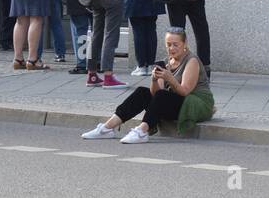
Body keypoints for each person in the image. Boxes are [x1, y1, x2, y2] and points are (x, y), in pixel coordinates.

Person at [81, 28, 215, 144]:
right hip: (177, 100)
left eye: (175, 45)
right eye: (168, 45)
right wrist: (154, 80)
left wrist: (170, 79)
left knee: (162, 96)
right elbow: (155, 93)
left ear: (184, 44)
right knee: (142, 92)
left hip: (196, 103)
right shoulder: (166, 62)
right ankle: (107, 128)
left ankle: (142, 131)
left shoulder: (192, 60)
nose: (171, 48)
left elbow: (185, 91)